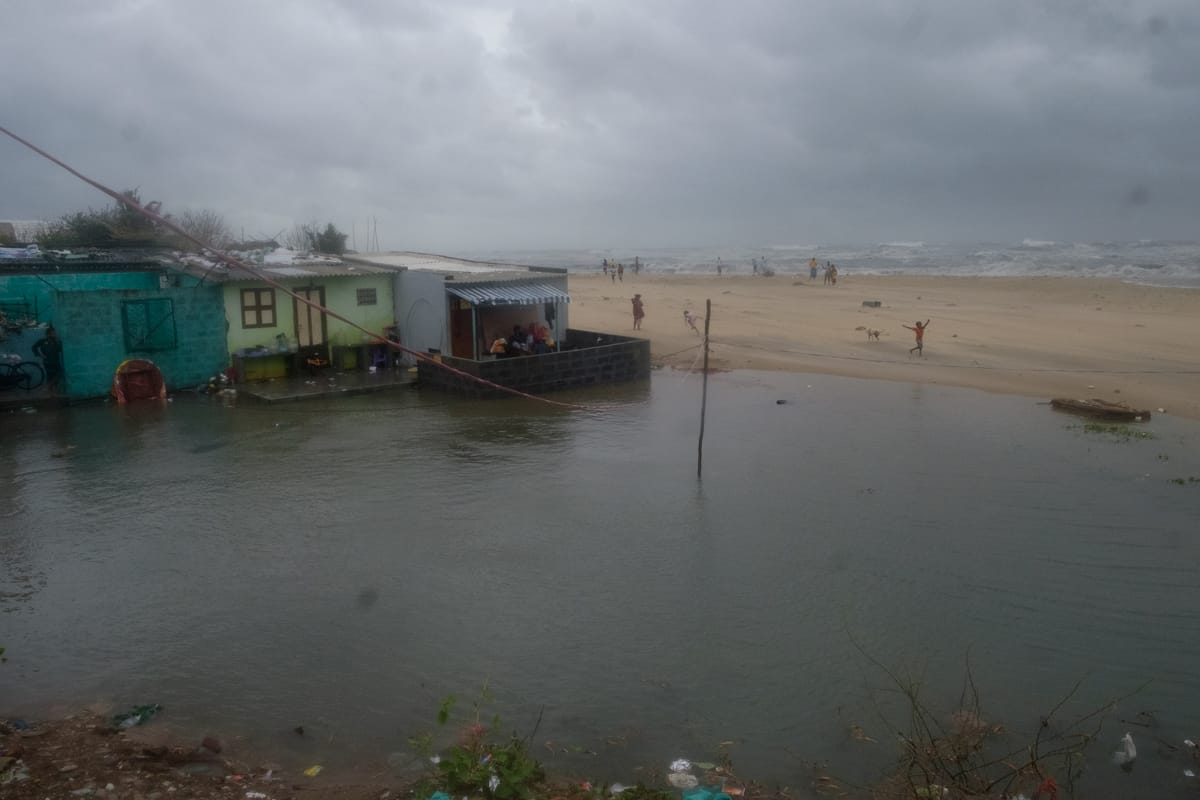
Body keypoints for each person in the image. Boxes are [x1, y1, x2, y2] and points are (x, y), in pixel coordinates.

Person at [32, 324, 64, 393]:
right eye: (52, 333)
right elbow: (34, 347)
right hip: (47, 361)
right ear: (48, 334)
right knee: (50, 375)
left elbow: (60, 350)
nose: (54, 334)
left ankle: (51, 387)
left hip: (56, 361)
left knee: (59, 374)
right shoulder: (43, 341)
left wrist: (58, 342)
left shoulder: (56, 341)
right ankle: (51, 390)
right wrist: (39, 355)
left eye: (54, 333)